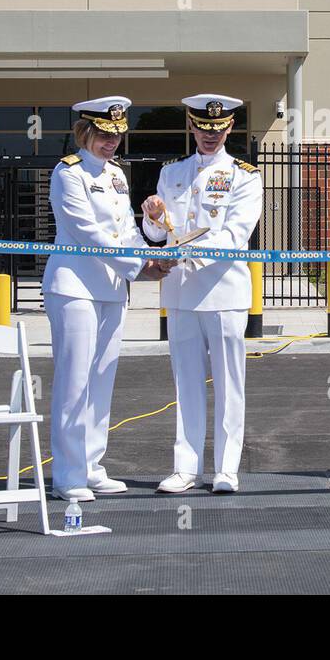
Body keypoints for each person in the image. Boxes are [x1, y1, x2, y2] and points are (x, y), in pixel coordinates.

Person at [43, 96, 169, 503]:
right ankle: (67, 472)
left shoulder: (116, 175)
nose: (110, 143)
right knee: (74, 381)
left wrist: (150, 249)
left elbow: (123, 230)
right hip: (75, 287)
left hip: (112, 289)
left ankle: (92, 465)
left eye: (115, 136)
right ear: (85, 132)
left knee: (102, 379)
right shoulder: (69, 173)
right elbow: (86, 232)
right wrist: (138, 267)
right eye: (102, 135)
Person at [141, 94, 262, 495]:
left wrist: (186, 255)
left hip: (223, 289)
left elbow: (236, 233)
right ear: (191, 126)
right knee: (186, 383)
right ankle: (185, 467)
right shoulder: (172, 172)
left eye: (219, 129)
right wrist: (154, 217)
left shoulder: (245, 176)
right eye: (203, 128)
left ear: (229, 128)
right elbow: (158, 234)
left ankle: (226, 469)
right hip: (180, 292)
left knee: (229, 383)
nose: (210, 136)